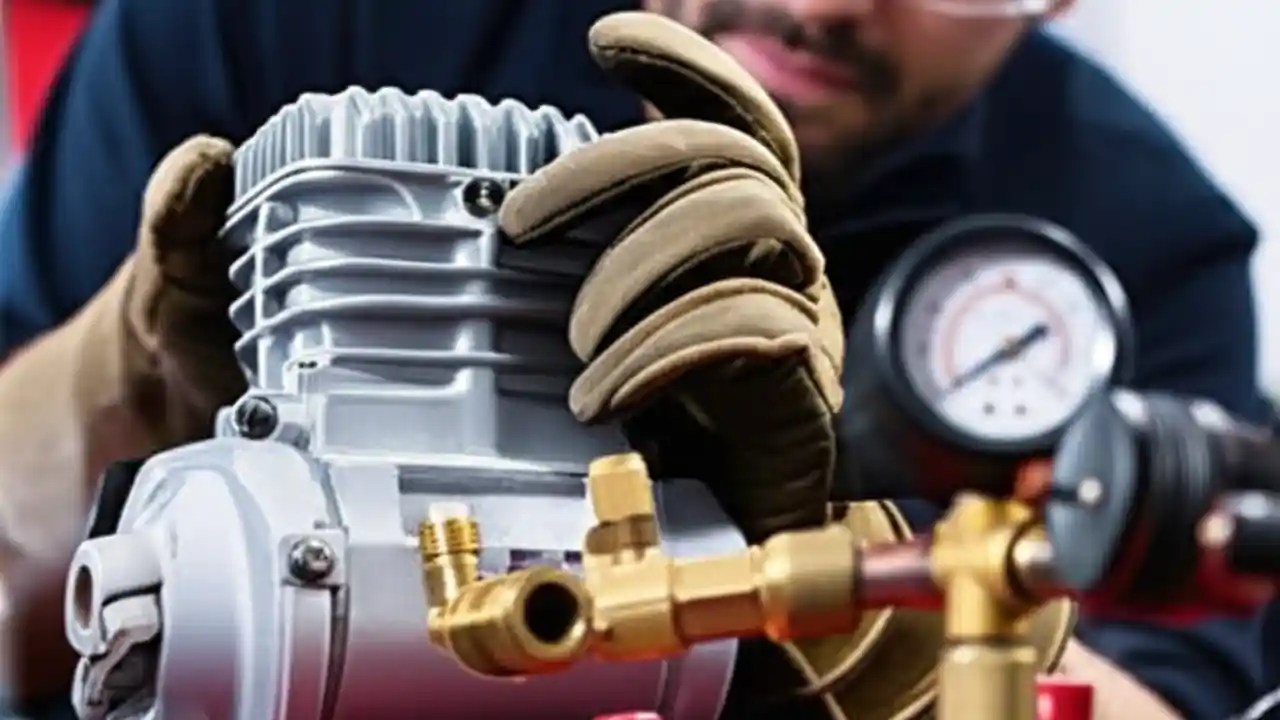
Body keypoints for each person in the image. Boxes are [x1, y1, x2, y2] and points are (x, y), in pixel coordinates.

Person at [0, 0, 1272, 718]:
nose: (826, 4)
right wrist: (127, 387)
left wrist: (857, 615)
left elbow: (1160, 704)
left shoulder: (1143, 243)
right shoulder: (280, 17)